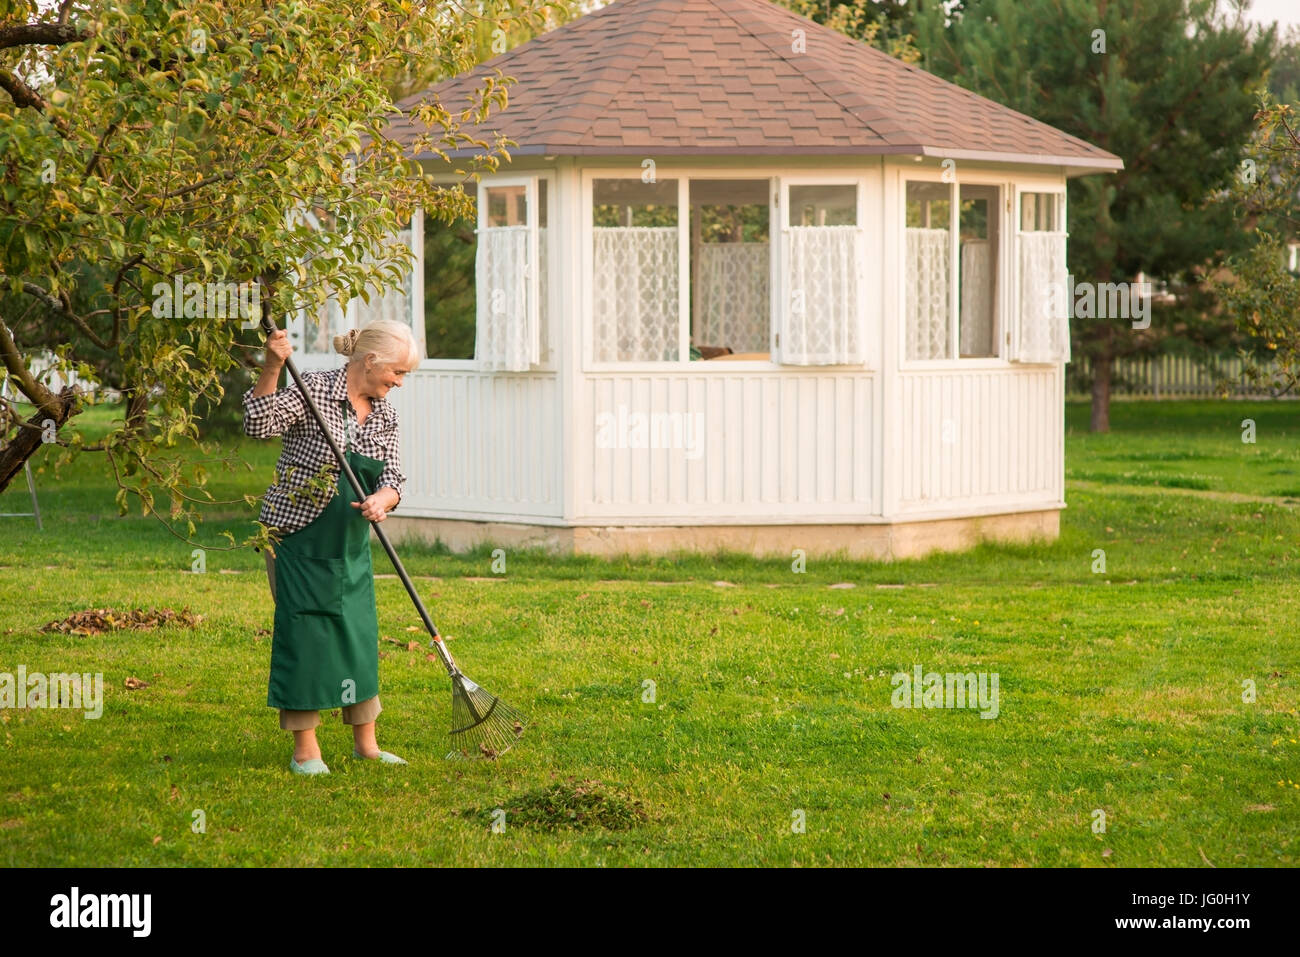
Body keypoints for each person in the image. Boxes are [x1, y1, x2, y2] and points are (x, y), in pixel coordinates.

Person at [243, 318, 419, 775]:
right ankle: (306, 751)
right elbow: (258, 424)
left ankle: (368, 745)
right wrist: (272, 366)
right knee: (306, 633)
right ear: (370, 360)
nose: (398, 383)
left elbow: (394, 477)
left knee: (358, 635)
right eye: (396, 373)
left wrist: (385, 498)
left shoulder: (386, 413)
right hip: (297, 536)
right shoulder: (314, 390)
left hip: (349, 542)